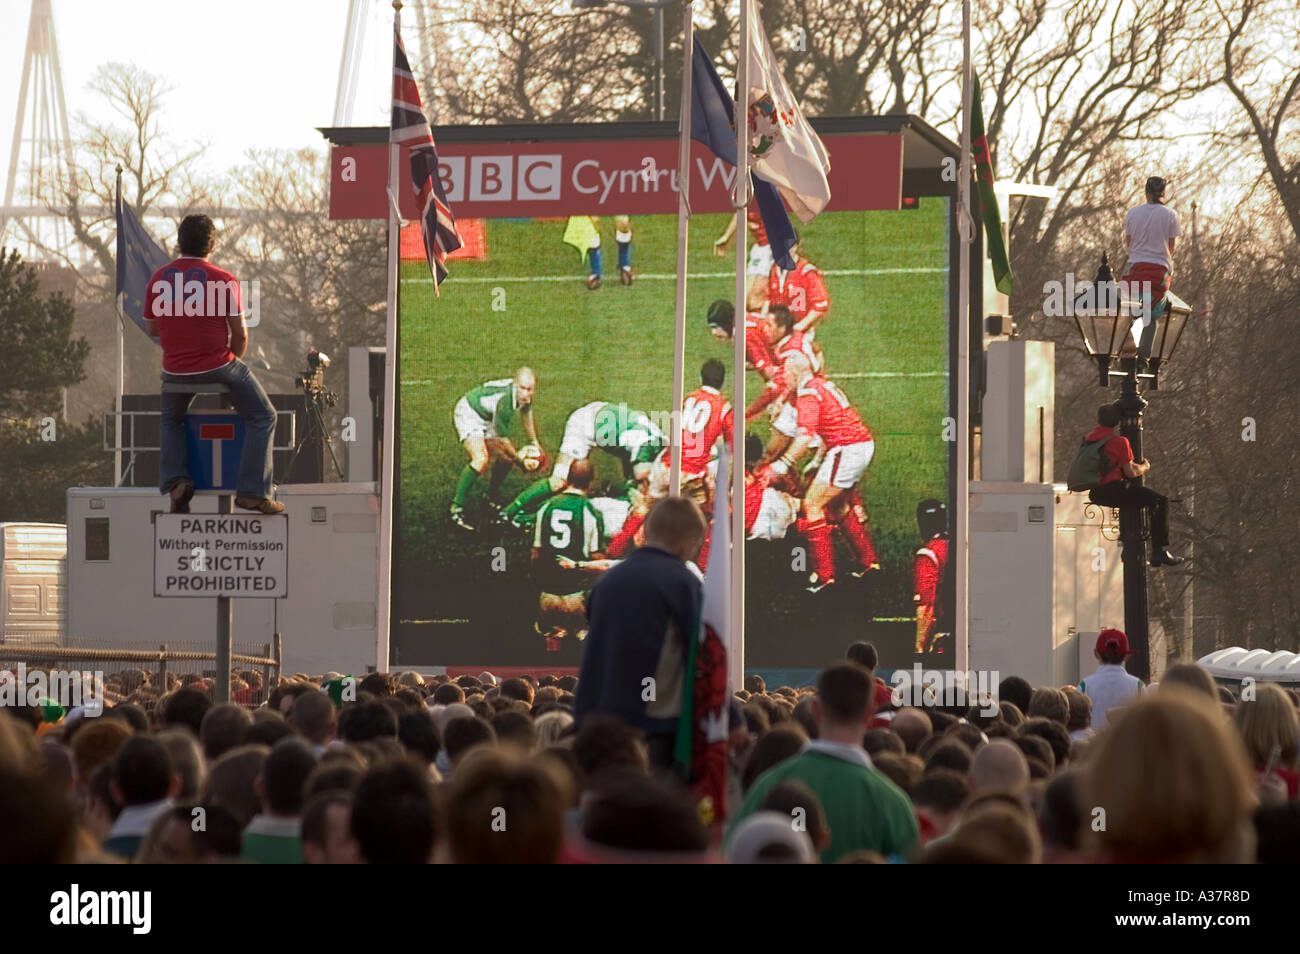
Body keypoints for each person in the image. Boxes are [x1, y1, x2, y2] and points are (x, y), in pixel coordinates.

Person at [144, 214, 282, 514]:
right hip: (217, 365)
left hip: (174, 370)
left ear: (179, 243)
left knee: (171, 420)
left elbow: (153, 329)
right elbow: (240, 335)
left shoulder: (158, 279)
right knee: (263, 416)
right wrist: (231, 371)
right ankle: (252, 491)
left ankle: (177, 481)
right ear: (212, 245)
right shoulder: (223, 280)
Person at [730, 663, 920, 863]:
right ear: (869, 714)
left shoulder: (768, 784)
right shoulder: (893, 803)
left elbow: (732, 850)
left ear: (816, 710)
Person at [574, 496, 707, 770]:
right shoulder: (684, 582)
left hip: (605, 722)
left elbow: (593, 655)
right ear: (690, 541)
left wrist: (581, 718)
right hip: (658, 728)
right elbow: (700, 658)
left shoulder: (607, 581)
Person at [771, 361, 878, 592]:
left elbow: (804, 437)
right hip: (857, 444)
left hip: (847, 449)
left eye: (785, 372)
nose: (783, 378)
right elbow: (832, 424)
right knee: (838, 506)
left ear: (794, 372)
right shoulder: (820, 384)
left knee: (812, 505)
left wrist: (782, 464)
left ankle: (824, 577)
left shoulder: (807, 393)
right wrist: (818, 461)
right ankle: (869, 562)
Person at [1082, 403, 1183, 566]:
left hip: (1096, 492)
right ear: (1117, 421)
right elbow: (1130, 472)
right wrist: (1145, 466)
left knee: (1132, 500)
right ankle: (1159, 551)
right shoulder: (1119, 441)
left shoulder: (1089, 439)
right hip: (1114, 489)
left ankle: (1125, 541)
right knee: (1159, 501)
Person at [450, 368, 542, 531]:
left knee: (505, 459)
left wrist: (534, 442)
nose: (526, 393)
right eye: (522, 388)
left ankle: (491, 497)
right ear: (515, 384)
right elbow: (503, 440)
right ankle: (456, 509)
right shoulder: (505, 402)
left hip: (487, 415)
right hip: (470, 413)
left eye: (530, 389)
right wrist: (521, 462)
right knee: (480, 459)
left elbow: (527, 414)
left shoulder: (524, 398)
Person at [531, 458, 606, 646]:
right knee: (587, 632)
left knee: (550, 632)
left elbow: (536, 555)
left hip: (547, 598)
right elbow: (597, 559)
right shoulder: (590, 511)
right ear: (591, 482)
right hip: (576, 599)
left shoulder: (546, 507)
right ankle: (582, 638)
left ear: (568, 478)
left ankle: (552, 647)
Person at [1123, 176, 1180, 360]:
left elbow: (1128, 242)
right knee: (1151, 316)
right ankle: (1143, 358)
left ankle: (1126, 346)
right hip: (1159, 273)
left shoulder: (1133, 213)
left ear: (1146, 192)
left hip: (1137, 269)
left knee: (1126, 309)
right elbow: (1172, 246)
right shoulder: (1171, 215)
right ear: (1163, 193)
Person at [1080, 629, 1145, 730]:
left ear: (1096, 653)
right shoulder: (1138, 686)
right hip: (1129, 744)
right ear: (1127, 656)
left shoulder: (1085, 686)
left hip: (1095, 744)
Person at [913, 499, 950, 653]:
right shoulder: (962, 546)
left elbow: (926, 608)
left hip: (944, 644)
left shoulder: (928, 554)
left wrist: (919, 649)